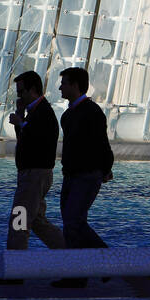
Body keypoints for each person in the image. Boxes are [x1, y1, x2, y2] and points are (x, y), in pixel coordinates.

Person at [0, 71, 66, 286]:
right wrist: (20, 120)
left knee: (19, 220)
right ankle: (71, 255)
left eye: (22, 91)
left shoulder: (43, 112)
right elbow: (26, 139)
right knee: (37, 221)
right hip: (33, 175)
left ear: (33, 90)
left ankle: (15, 270)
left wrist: (21, 122)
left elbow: (39, 137)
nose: (19, 96)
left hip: (34, 175)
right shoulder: (35, 112)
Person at [52, 66, 114, 288]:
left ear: (76, 85)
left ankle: (102, 263)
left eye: (65, 83)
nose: (60, 87)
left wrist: (105, 169)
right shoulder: (68, 115)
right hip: (71, 174)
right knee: (72, 223)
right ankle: (84, 271)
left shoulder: (91, 112)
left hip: (86, 175)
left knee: (73, 221)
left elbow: (101, 144)